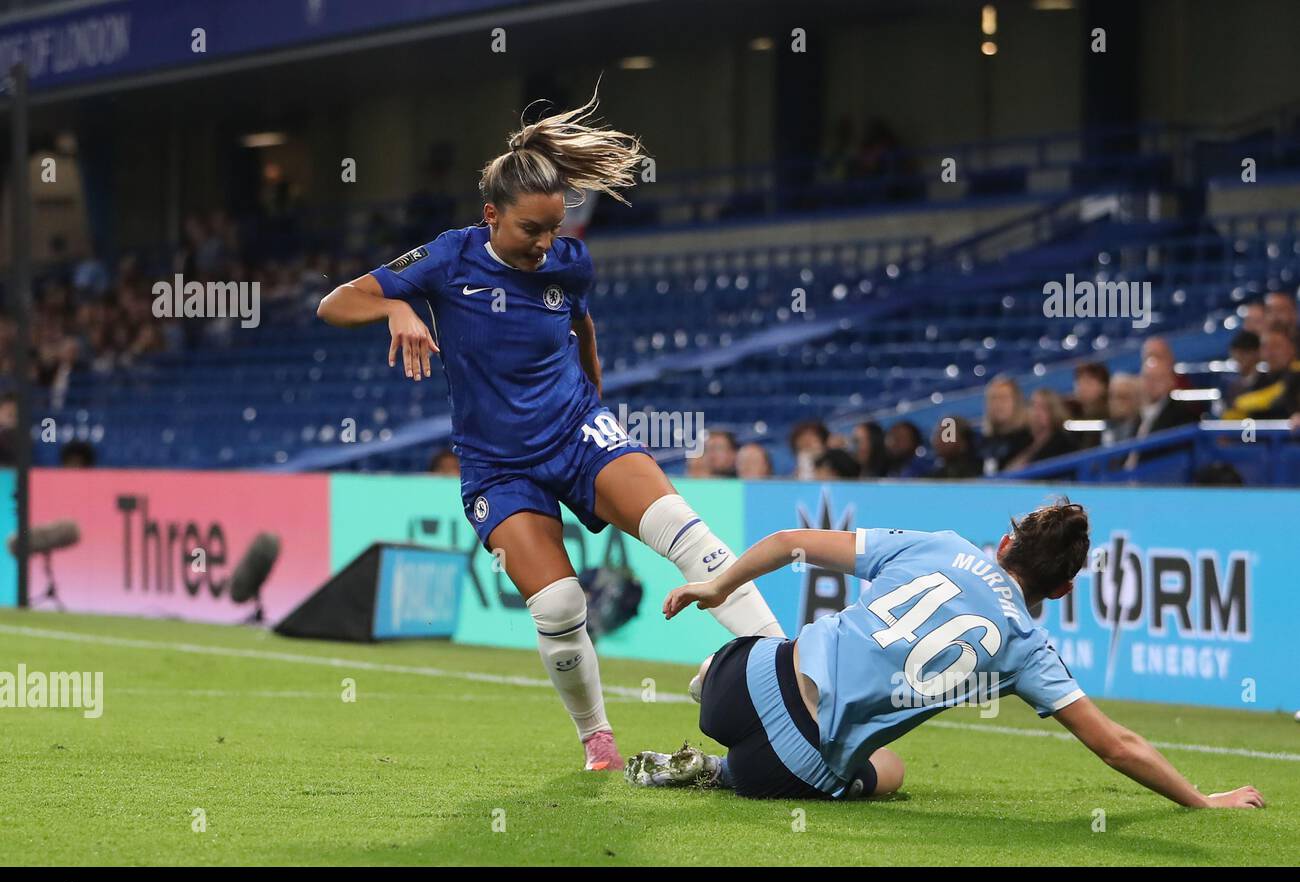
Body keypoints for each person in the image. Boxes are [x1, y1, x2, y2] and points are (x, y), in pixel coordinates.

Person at [317, 83, 783, 772]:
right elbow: (334, 303)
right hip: (499, 468)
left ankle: (792, 675)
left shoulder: (569, 261)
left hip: (576, 433)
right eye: (530, 229)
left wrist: (596, 394)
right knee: (562, 603)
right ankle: (597, 739)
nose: (544, 244)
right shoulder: (448, 258)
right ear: (490, 216)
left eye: (554, 229)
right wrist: (398, 308)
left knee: (688, 535)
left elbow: (582, 322)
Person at [627, 500, 1266, 811]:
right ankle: (719, 772)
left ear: (1005, 541)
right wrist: (1204, 801)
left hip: (742, 685)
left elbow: (790, 540)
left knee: (768, 652)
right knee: (892, 770)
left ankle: (706, 680)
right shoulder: (1028, 648)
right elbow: (1117, 745)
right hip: (790, 766)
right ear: (1064, 589)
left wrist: (716, 585)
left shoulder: (941, 544)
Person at [1004, 389, 1077, 470]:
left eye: (1043, 408)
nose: (1037, 413)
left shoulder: (1064, 442)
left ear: (1053, 411)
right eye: (1033, 406)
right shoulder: (1022, 440)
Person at [979, 375, 1032, 475]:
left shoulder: (1030, 438)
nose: (998, 404)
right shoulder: (983, 443)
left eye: (1003, 398)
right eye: (993, 399)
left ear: (1016, 402)